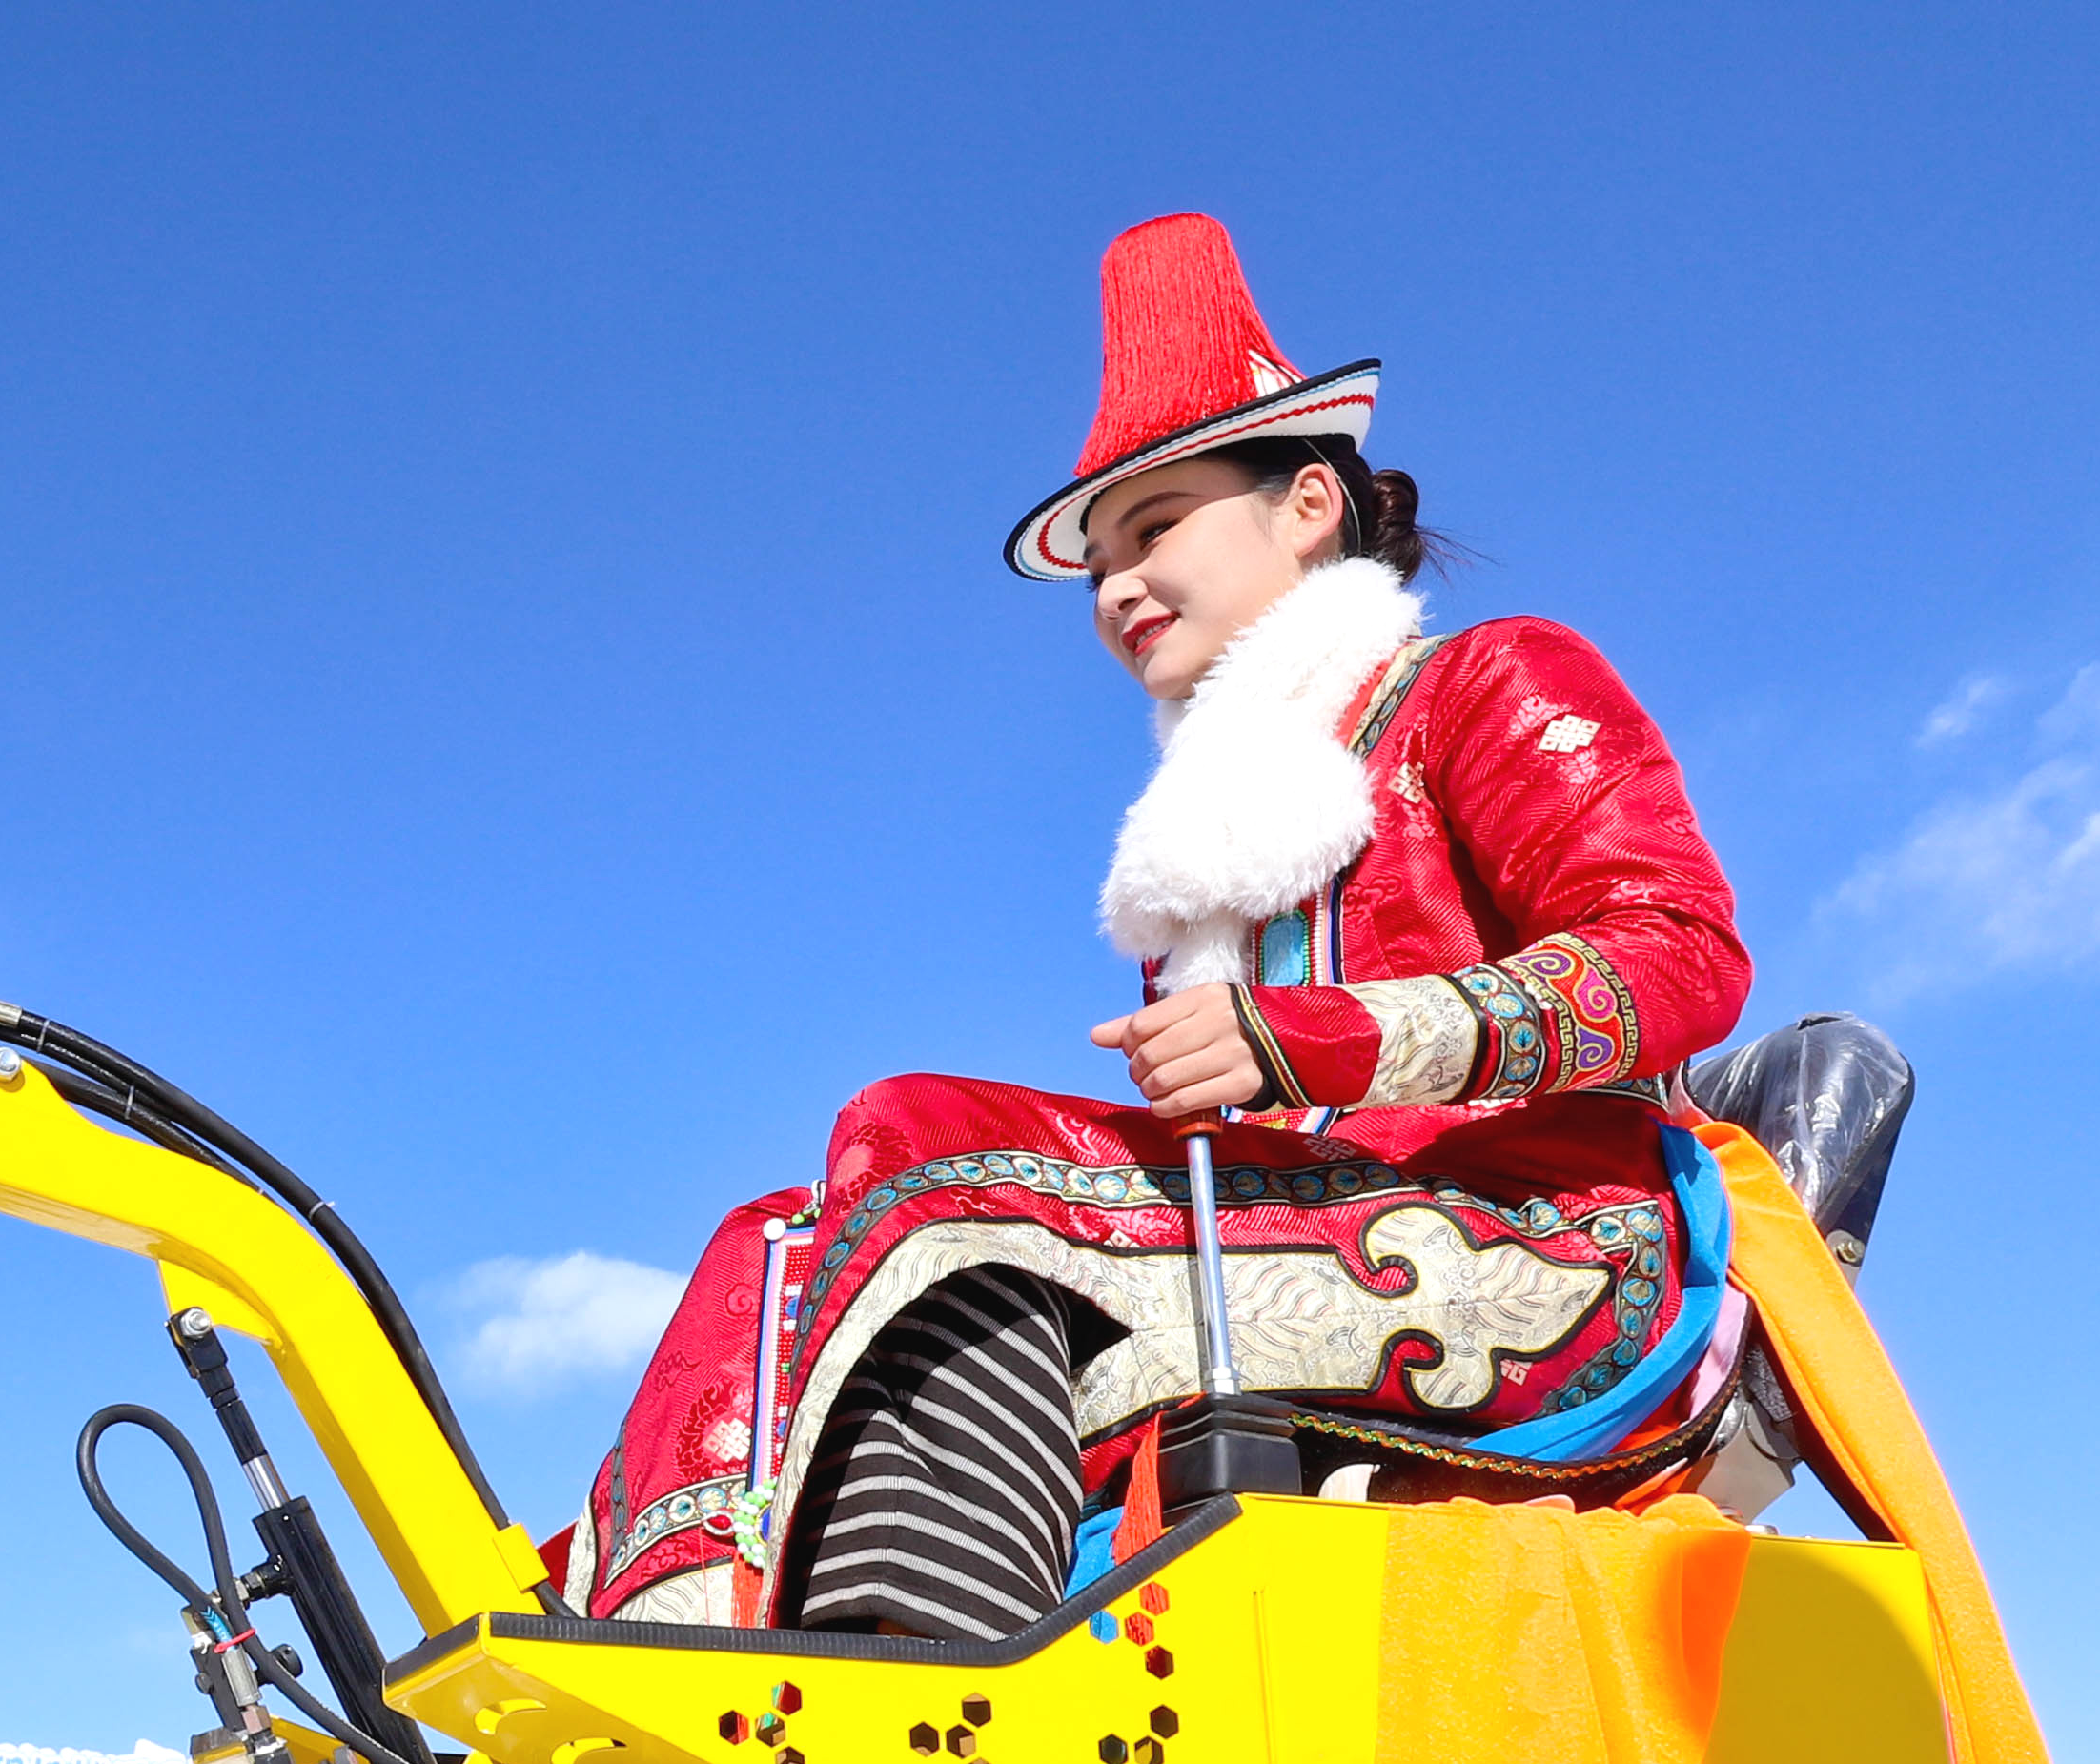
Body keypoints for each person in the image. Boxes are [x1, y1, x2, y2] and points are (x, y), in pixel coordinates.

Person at [571, 214, 1750, 1637]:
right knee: (775, 1241)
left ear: (1306, 503)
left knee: (931, 1145)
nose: (1117, 587)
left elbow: (1683, 953)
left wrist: (1308, 1037)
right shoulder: (1215, 842)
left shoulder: (1491, 678)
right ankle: (643, 1637)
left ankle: (902, 1665)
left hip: (1552, 1242)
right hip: (1318, 1244)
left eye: (1153, 527)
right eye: (1098, 565)